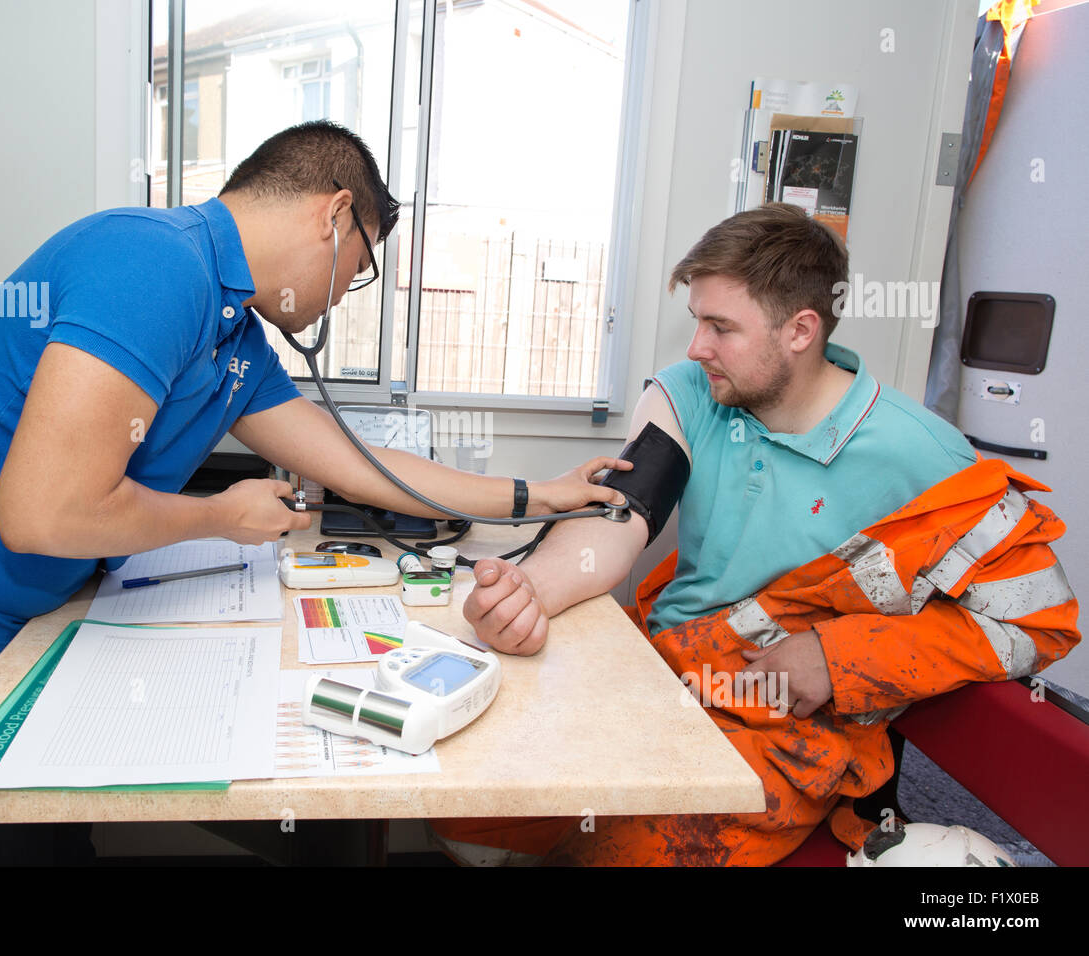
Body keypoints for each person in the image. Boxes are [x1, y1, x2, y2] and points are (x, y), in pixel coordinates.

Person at [0, 120, 629, 865]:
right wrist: (222, 518)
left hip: (1, 641)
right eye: (362, 268)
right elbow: (41, 512)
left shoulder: (235, 337)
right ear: (334, 216)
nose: (346, 296)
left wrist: (539, 496)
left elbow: (362, 463)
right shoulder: (154, 263)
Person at [431, 203, 1079, 865]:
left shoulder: (923, 456)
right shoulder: (692, 392)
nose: (694, 348)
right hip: (671, 668)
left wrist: (836, 657)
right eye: (696, 322)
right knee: (476, 790)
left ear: (800, 330)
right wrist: (527, 591)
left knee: (622, 848)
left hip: (780, 716)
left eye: (720, 327)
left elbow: (1038, 621)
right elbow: (618, 521)